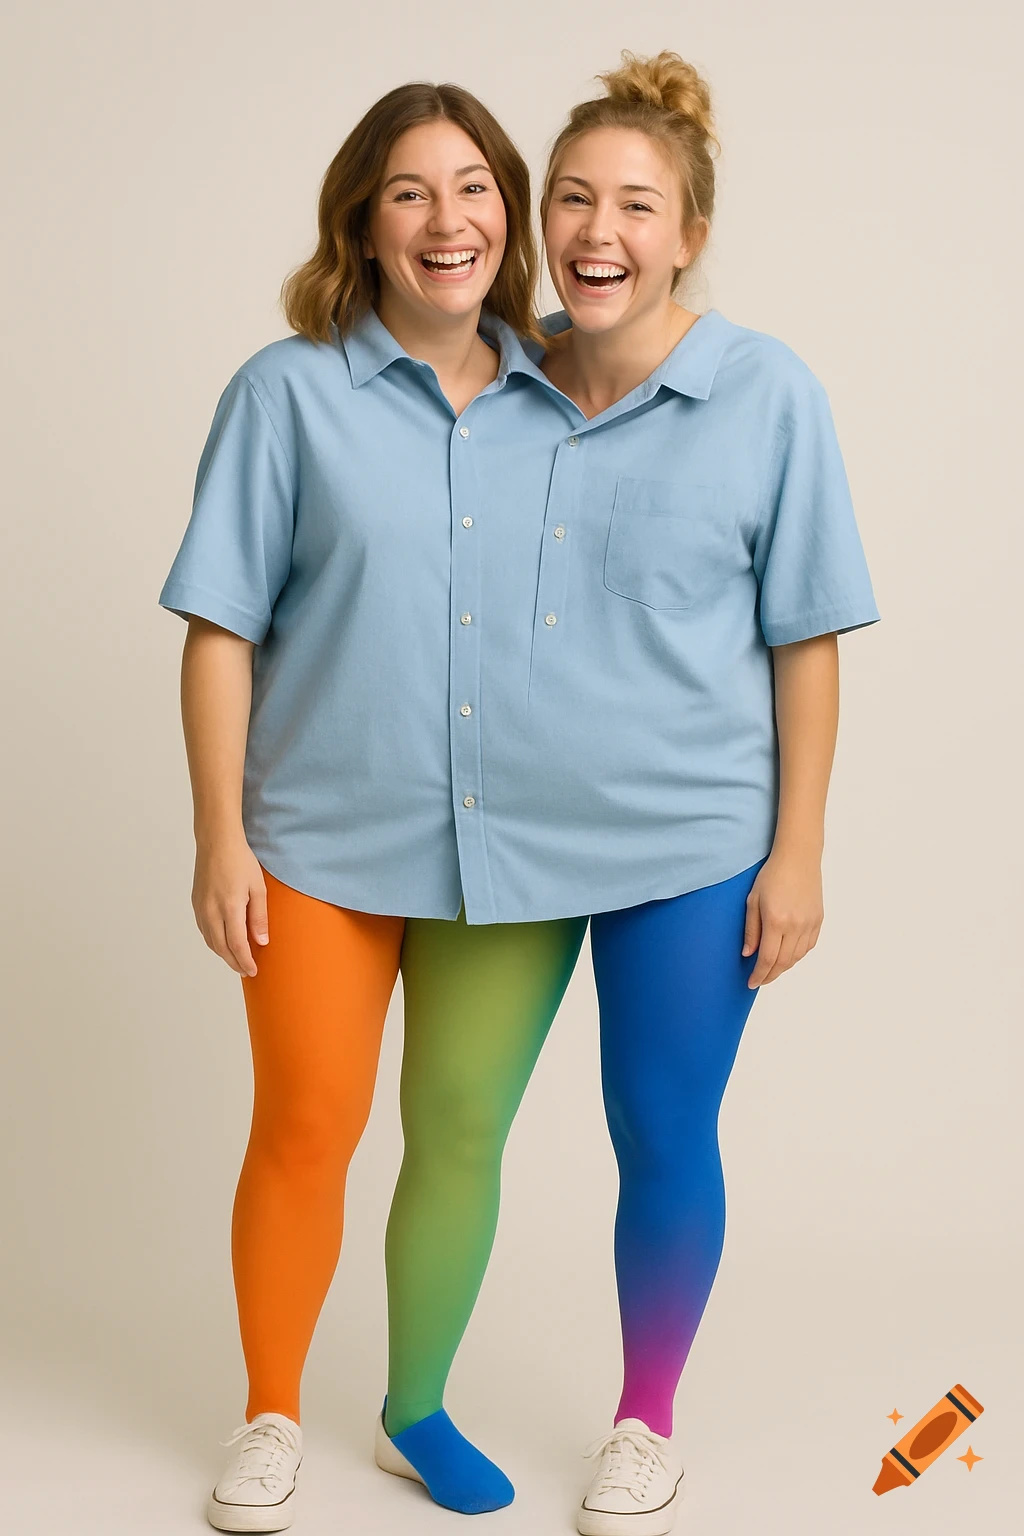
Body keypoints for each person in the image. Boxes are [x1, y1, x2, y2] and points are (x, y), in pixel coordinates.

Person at [159, 82, 587, 1532]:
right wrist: (220, 836)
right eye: (410, 191)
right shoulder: (284, 395)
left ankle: (416, 1408)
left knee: (461, 1131)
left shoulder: (573, 399)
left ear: (510, 215)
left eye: (474, 188)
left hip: (518, 853)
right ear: (362, 220)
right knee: (307, 1124)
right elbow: (220, 628)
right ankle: (271, 1412)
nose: (446, 220)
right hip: (319, 844)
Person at [507, 50, 878, 1534]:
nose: (598, 231)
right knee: (454, 1124)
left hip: (694, 846)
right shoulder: (488, 380)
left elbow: (807, 640)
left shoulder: (767, 392)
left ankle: (644, 1422)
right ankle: (414, 1397)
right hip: (500, 839)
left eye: (636, 206)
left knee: (659, 1129)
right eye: (572, 198)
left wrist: (800, 854)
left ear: (689, 234)